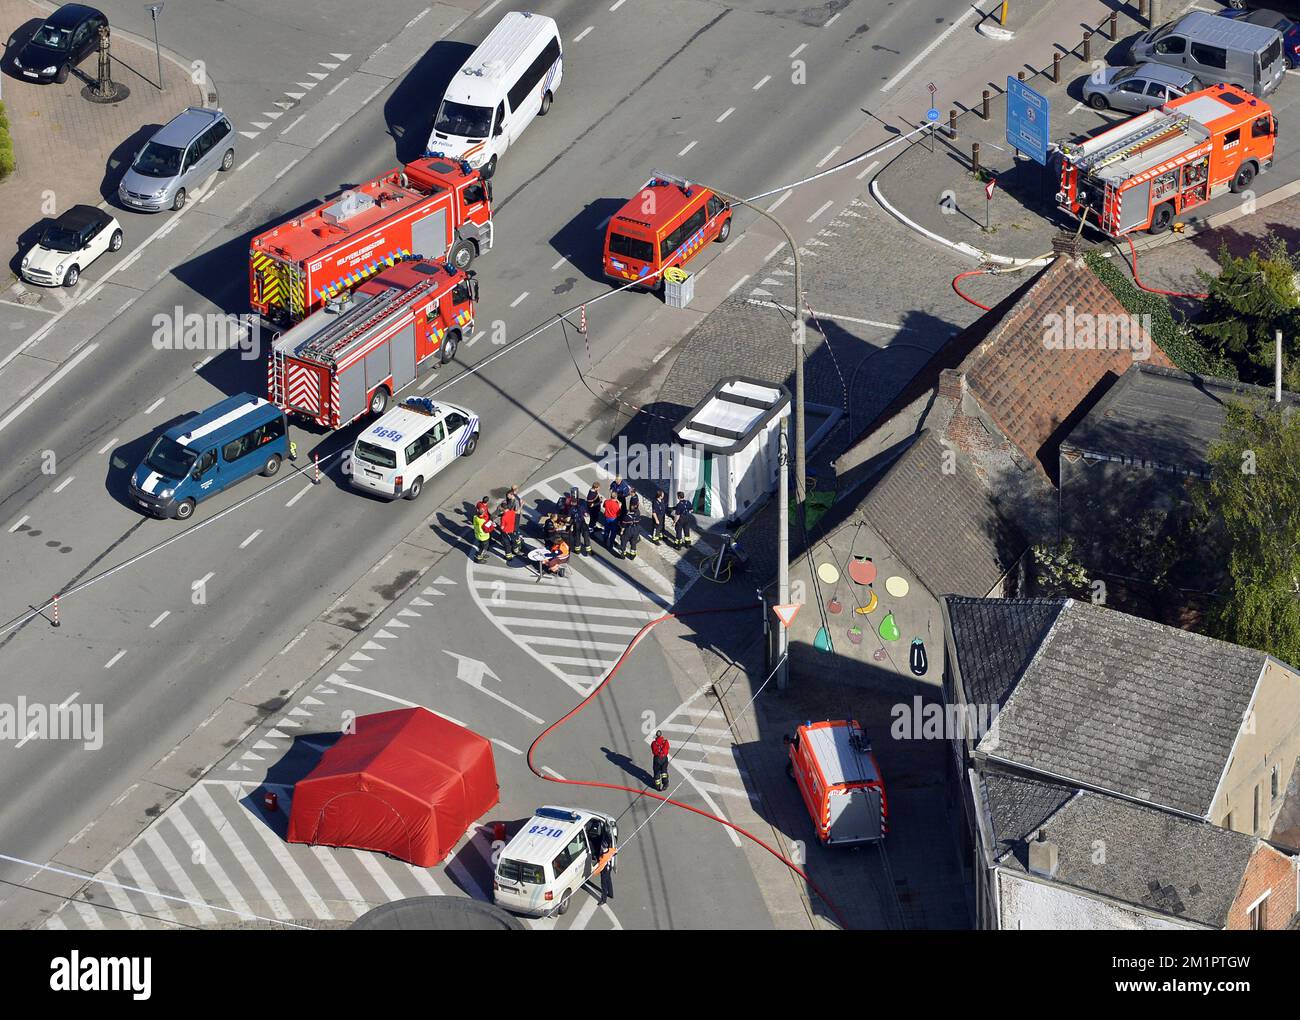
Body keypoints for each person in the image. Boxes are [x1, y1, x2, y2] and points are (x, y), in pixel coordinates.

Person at [502, 484, 524, 554]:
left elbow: (517, 511)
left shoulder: (513, 499)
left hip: (512, 517)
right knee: (515, 533)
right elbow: (517, 511)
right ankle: (515, 548)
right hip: (513, 517)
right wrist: (521, 506)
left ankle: (515, 542)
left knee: (514, 531)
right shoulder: (514, 499)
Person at [621, 492, 642, 560]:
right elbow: (639, 521)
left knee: (624, 541)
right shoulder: (638, 515)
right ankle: (632, 555)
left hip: (629, 530)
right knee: (633, 542)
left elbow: (624, 525)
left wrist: (622, 531)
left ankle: (623, 553)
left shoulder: (627, 516)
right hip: (636, 529)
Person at [597, 826, 615, 904]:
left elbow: (600, 865)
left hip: (604, 869)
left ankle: (603, 899)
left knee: (603, 884)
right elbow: (615, 851)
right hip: (609, 866)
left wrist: (595, 872)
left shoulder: (604, 856)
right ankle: (611, 894)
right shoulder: (611, 851)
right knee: (609, 880)